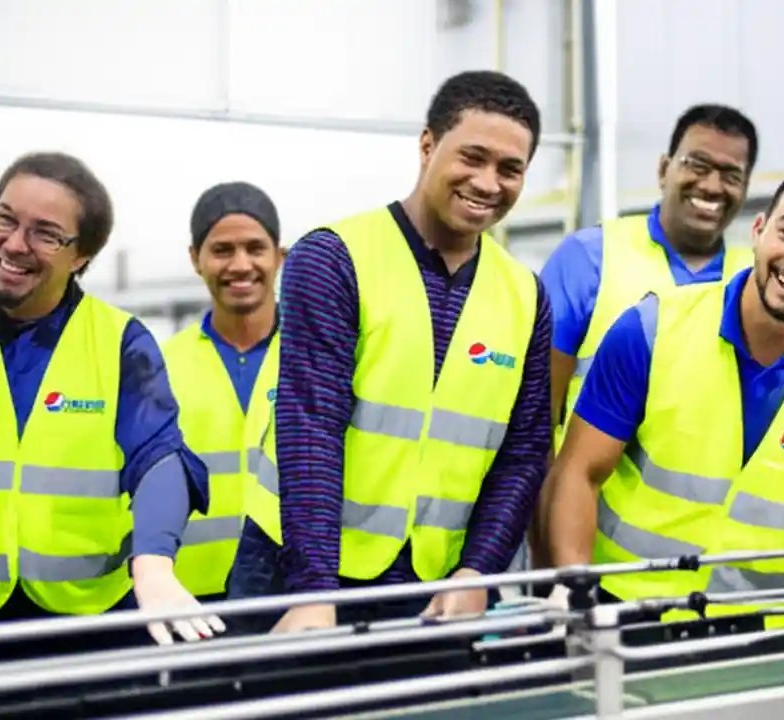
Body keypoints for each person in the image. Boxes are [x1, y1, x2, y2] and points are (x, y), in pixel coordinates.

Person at [226, 70, 552, 633]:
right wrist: (312, 592)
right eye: (471, 157)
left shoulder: (525, 294)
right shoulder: (335, 257)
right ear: (428, 146)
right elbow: (311, 426)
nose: (487, 182)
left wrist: (478, 571)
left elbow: (524, 453)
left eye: (510, 169)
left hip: (434, 586)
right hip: (295, 570)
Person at [538, 161, 784, 627]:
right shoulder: (650, 332)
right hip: (633, 617)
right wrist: (572, 587)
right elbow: (579, 471)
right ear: (759, 230)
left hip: (774, 634)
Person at [0, 152, 221, 656]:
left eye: (45, 233)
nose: (14, 243)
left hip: (85, 624)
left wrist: (153, 563)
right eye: (4, 218)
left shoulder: (120, 341)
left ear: (81, 255)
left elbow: (159, 456)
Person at [541, 104, 759, 451]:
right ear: (663, 169)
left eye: (731, 176)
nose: (712, 186)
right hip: (588, 500)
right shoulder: (589, 256)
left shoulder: (755, 279)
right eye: (697, 165)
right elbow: (538, 407)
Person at [162, 182, 285, 601]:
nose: (240, 264)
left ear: (279, 257)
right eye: (222, 250)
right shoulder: (159, 367)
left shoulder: (317, 358)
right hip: (189, 598)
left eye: (255, 248)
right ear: (196, 259)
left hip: (290, 596)